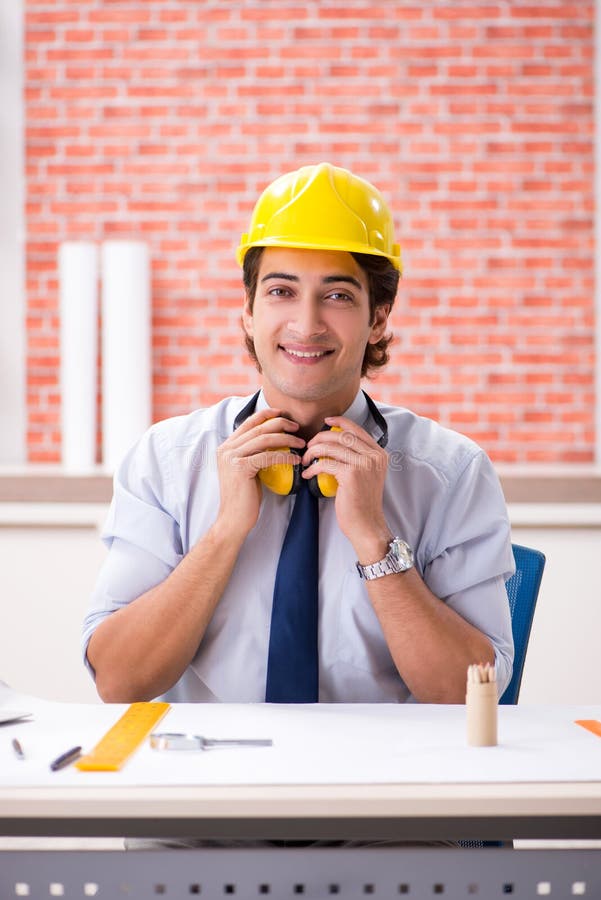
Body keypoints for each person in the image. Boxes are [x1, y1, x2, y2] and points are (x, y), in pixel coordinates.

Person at [83, 162, 514, 707]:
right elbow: (118, 681)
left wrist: (375, 541)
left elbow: (473, 696)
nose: (306, 324)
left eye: (338, 296)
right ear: (248, 311)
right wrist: (224, 533)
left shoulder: (451, 473)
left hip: (386, 761)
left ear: (379, 319)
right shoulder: (166, 461)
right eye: (282, 291)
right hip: (214, 759)